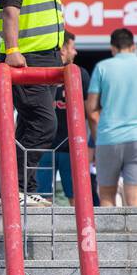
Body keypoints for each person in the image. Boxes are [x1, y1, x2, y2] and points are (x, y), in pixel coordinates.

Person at [0, 0, 64, 206]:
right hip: (26, 58)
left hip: (46, 56)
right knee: (44, 123)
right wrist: (12, 50)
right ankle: (18, 190)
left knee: (28, 125)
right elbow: (11, 11)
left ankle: (21, 189)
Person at [85, 28, 137, 208]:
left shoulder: (102, 67)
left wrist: (98, 138)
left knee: (106, 196)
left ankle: (108, 236)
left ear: (113, 48)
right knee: (135, 198)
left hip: (109, 138)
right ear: (133, 46)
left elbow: (91, 108)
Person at [53, 30, 95, 202]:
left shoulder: (79, 74)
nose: (75, 52)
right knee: (39, 200)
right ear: (63, 49)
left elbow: (90, 112)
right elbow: (91, 112)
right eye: (73, 47)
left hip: (68, 147)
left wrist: (92, 145)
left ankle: (75, 229)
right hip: (45, 148)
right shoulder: (40, 72)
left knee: (77, 197)